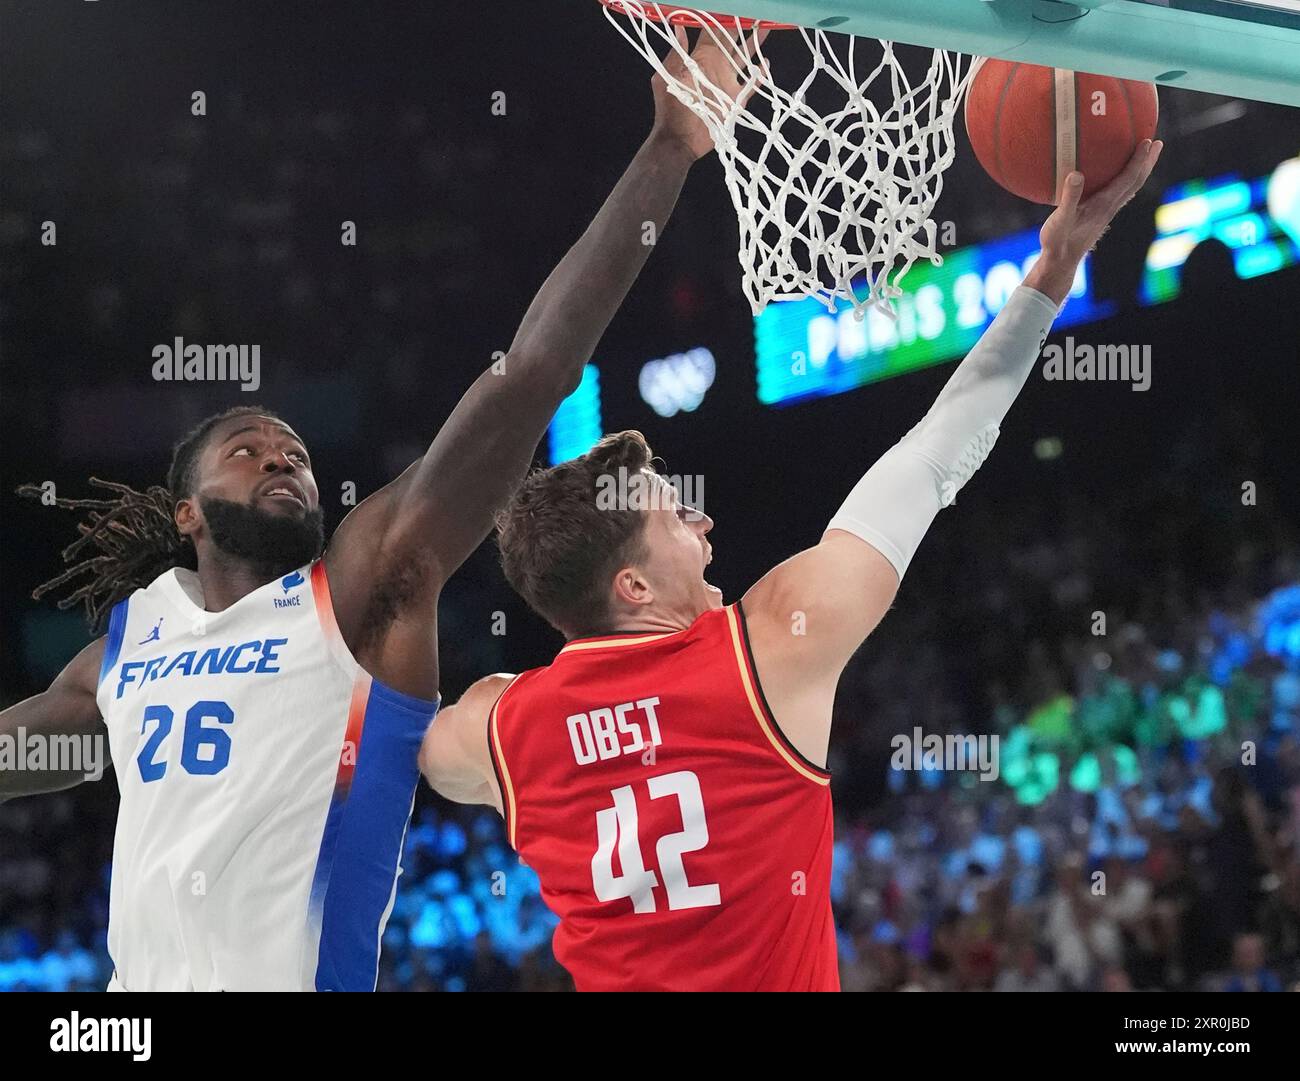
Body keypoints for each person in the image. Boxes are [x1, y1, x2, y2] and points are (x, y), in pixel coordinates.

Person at [0, 31, 749, 991]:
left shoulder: (360, 592)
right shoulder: (125, 649)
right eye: (249, 449)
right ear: (188, 513)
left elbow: (526, 380)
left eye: (298, 454)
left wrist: (668, 151)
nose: (283, 458)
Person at [419, 141, 1165, 990]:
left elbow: (415, 734)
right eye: (674, 518)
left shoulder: (503, 731)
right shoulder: (767, 649)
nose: (702, 523)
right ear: (631, 585)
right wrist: (1053, 270)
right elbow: (931, 459)